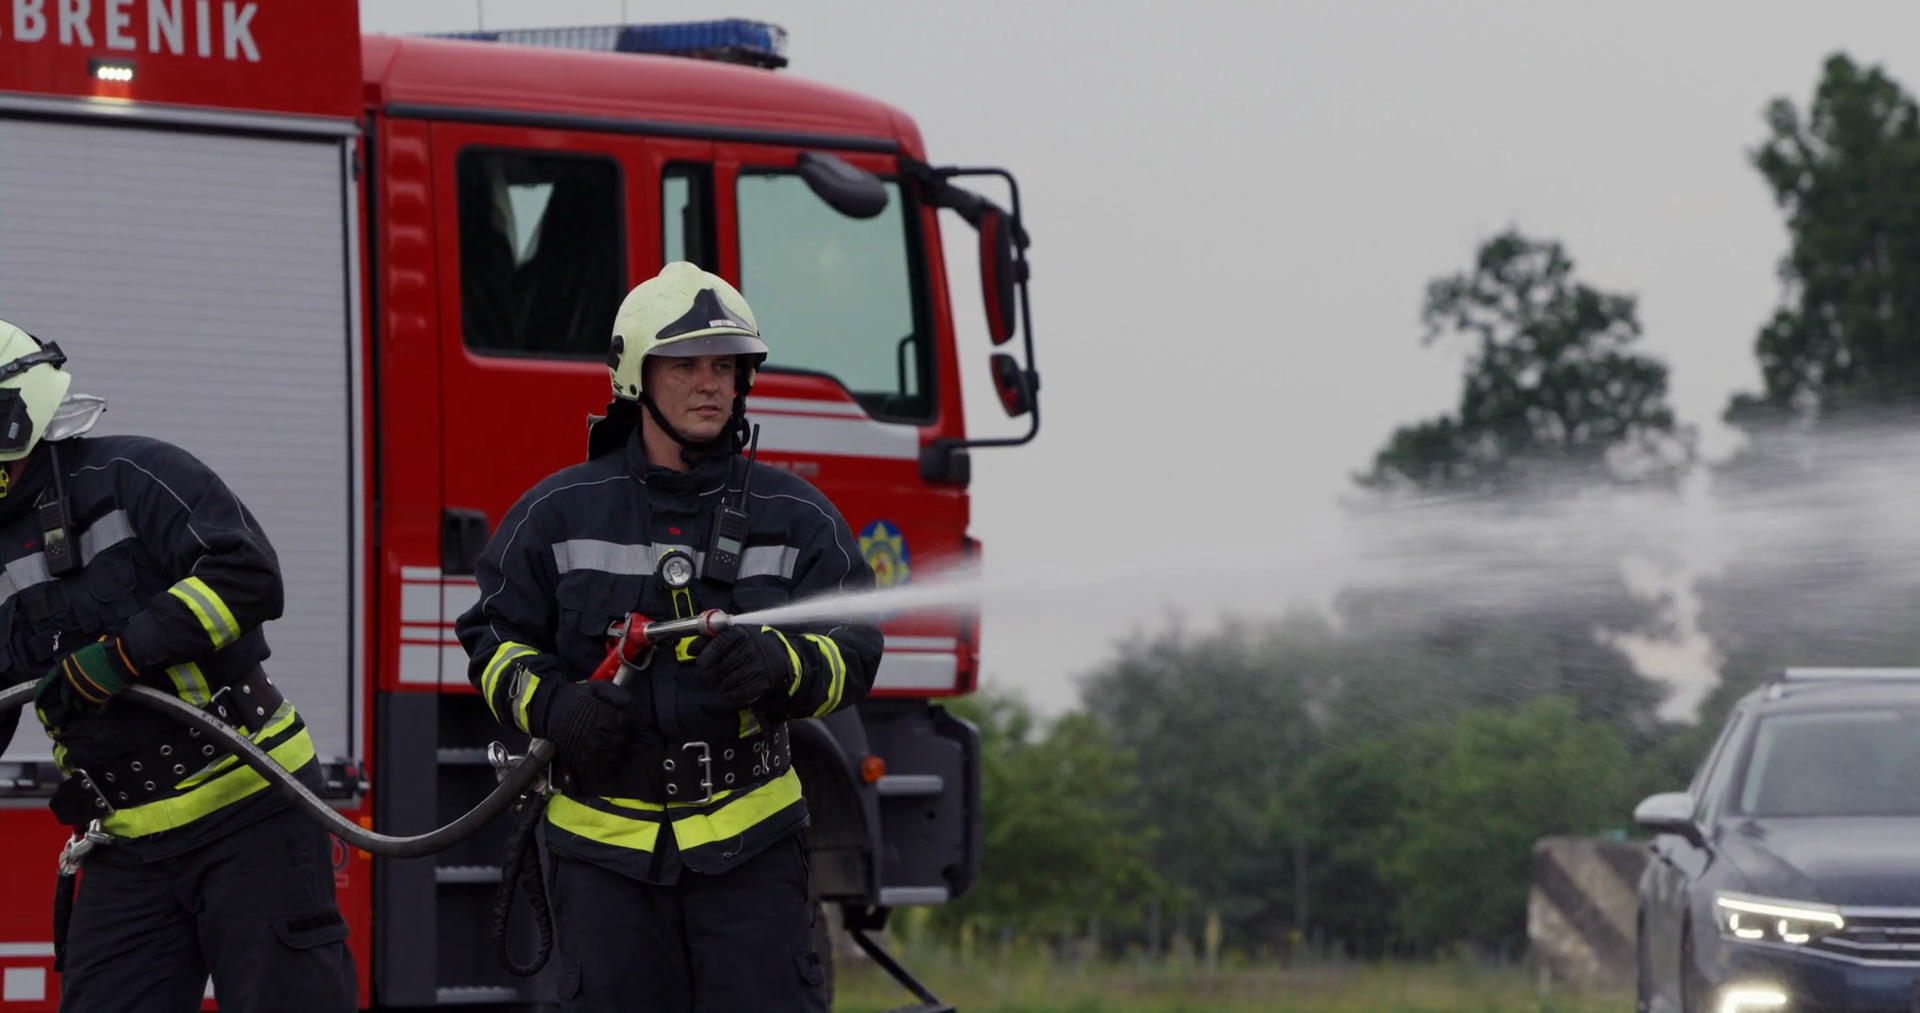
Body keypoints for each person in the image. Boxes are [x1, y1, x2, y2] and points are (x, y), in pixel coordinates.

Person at [457, 262, 882, 1012]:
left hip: (752, 854)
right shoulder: (556, 514)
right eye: (685, 365)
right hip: (603, 859)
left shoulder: (799, 515)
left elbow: (856, 646)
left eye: (725, 366)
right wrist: (554, 706)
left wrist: (778, 664)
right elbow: (492, 642)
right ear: (635, 375)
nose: (710, 384)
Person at [0, 320, 356, 1013]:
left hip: (249, 801)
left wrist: (125, 654)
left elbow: (248, 574)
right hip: (125, 836)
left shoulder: (131, 475)